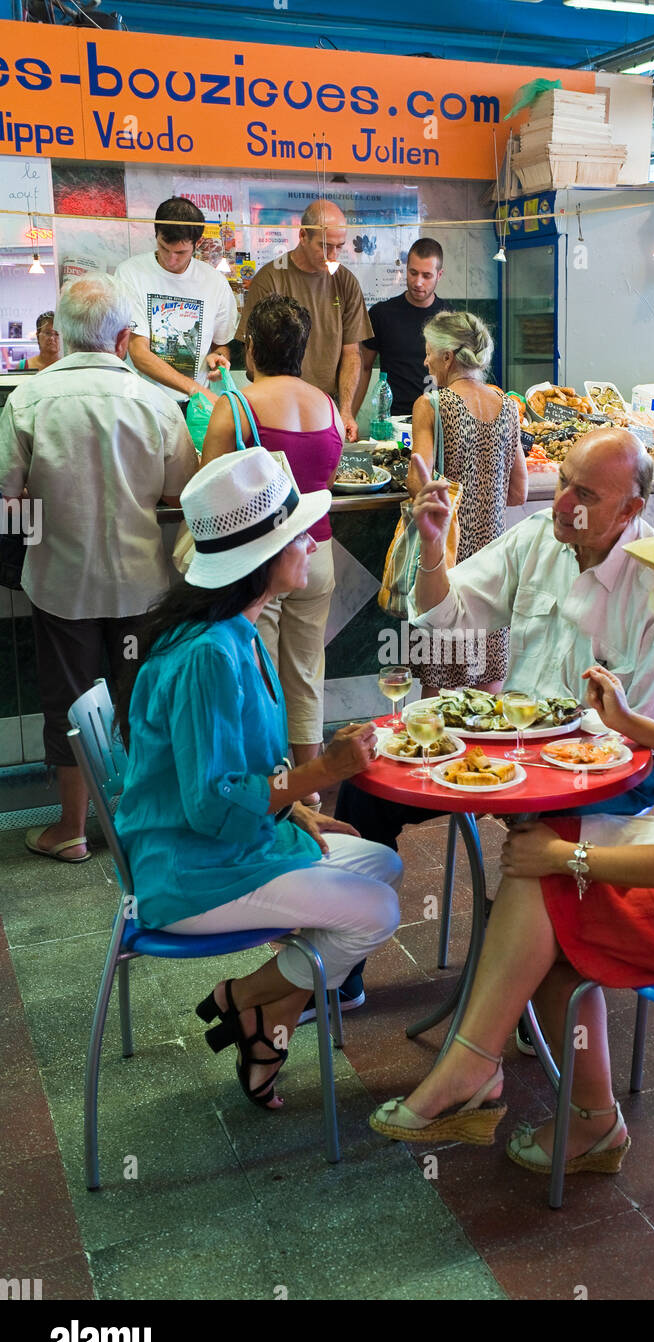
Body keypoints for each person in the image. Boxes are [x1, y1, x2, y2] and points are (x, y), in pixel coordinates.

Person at [369, 481, 654, 1176]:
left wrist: (568, 858)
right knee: (544, 880)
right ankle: (502, 1078)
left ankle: (532, 1096)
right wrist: (631, 727)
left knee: (547, 892)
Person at [113, 447, 402, 1110]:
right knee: (377, 911)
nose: (309, 541)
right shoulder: (211, 654)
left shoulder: (232, 630)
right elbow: (212, 804)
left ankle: (257, 1015)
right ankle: (246, 1004)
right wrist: (320, 774)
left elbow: (239, 774)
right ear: (260, 560)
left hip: (228, 846)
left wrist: (297, 809)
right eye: (294, 533)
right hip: (190, 872)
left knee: (382, 865)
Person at [335, 428, 654, 848]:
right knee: (364, 785)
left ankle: (523, 909)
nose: (561, 504)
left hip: (608, 764)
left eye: (585, 496)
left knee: (544, 835)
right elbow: (443, 620)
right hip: (515, 743)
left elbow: (640, 740)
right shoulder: (538, 535)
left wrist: (553, 764)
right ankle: (359, 907)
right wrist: (432, 548)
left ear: (630, 509)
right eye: (562, 481)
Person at [0, 273, 197, 862]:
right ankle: (138, 825)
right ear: (123, 339)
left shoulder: (28, 400)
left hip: (62, 584)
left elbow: (6, 498)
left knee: (69, 704)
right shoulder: (155, 400)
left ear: (59, 335)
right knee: (138, 702)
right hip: (140, 585)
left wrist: (42, 513)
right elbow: (179, 491)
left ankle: (71, 830)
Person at [201, 296, 344, 796]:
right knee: (306, 678)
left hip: (259, 564)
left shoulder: (236, 405)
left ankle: (274, 800)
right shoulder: (326, 405)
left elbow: (209, 485)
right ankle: (312, 794)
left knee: (258, 686)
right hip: (317, 554)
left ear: (252, 349)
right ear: (302, 350)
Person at [408, 311, 528, 697]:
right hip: (494, 563)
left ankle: (436, 757)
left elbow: (418, 483)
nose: (425, 361)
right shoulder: (507, 405)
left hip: (449, 560)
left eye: (428, 353)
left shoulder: (433, 405)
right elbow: (518, 493)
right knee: (490, 682)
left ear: (447, 357)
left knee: (439, 688)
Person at [238, 200, 371, 442]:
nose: (332, 256)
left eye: (339, 247)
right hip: (277, 412)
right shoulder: (270, 280)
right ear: (302, 235)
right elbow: (252, 361)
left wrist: (345, 411)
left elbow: (352, 353)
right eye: (324, 246)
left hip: (328, 410)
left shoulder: (345, 281)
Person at [114, 197, 238, 410]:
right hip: (144, 402)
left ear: (197, 244)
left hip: (195, 406)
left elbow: (221, 345)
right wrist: (196, 389)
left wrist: (219, 360)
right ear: (156, 235)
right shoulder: (130, 273)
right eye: (164, 248)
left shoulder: (214, 282)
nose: (171, 260)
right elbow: (138, 352)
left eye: (180, 252)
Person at [353, 238, 449, 418]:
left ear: (439, 275)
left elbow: (460, 375)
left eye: (426, 275)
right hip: (392, 420)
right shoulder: (382, 313)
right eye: (413, 272)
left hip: (439, 419)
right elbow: (363, 367)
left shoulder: (450, 317)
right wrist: (349, 416)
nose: (418, 282)